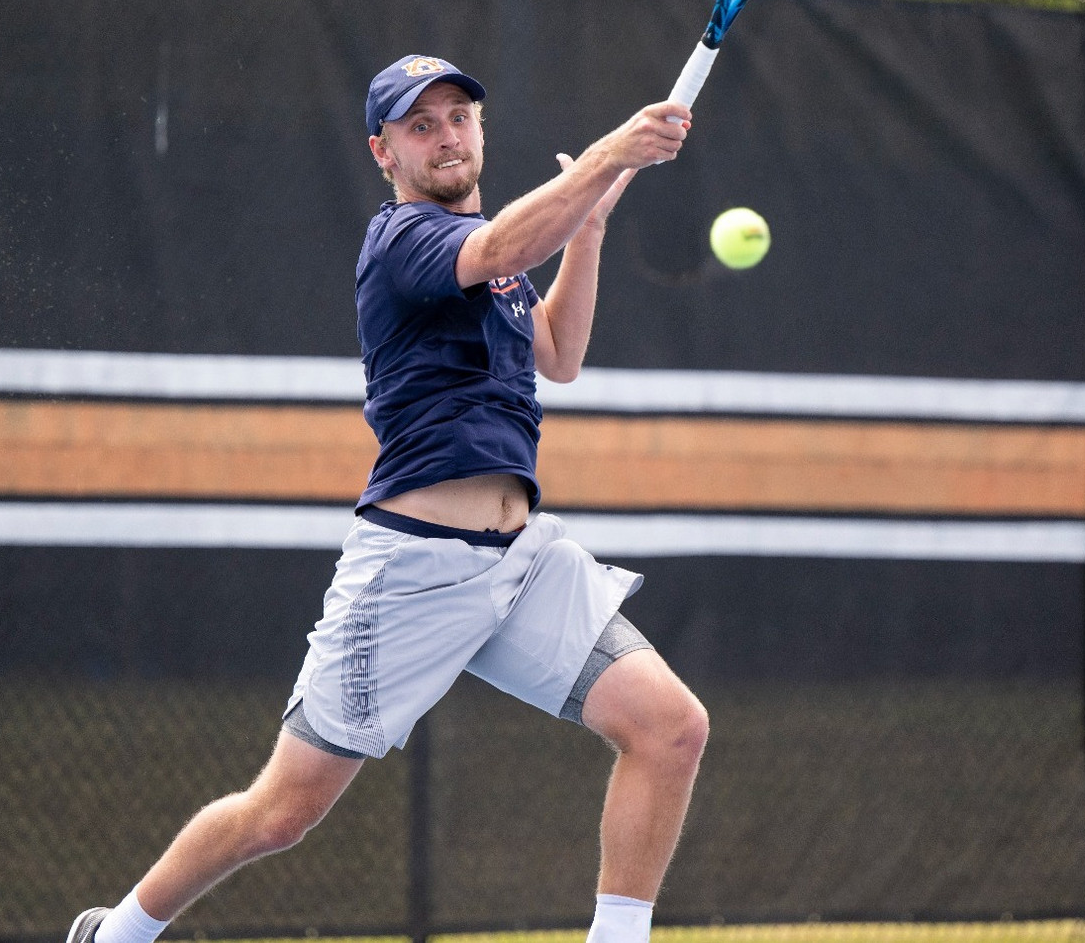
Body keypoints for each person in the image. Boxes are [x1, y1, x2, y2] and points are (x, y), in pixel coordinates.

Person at [67, 55, 708, 943]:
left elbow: (556, 351)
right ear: (385, 153)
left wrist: (590, 228)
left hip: (521, 564)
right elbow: (502, 247)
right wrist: (612, 153)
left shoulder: (501, 254)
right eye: (421, 125)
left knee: (671, 730)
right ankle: (117, 934)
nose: (446, 136)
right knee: (281, 813)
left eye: (459, 118)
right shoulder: (407, 241)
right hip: (412, 570)